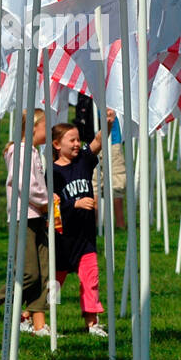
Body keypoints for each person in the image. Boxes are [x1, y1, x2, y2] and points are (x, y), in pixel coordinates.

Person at [0, 109, 54, 336]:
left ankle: (39, 325)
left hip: (37, 216)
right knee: (29, 273)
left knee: (44, 273)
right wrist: (46, 201)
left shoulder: (33, 151)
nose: (48, 131)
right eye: (45, 126)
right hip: (23, 217)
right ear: (32, 127)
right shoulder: (20, 152)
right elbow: (24, 184)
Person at [50, 110, 113, 337]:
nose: (77, 144)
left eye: (78, 140)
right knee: (54, 283)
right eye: (72, 140)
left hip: (86, 238)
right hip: (62, 239)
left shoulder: (84, 161)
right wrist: (74, 205)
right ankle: (35, 316)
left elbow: (96, 142)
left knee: (91, 279)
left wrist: (107, 124)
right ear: (57, 144)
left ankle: (92, 322)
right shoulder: (52, 173)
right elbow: (50, 207)